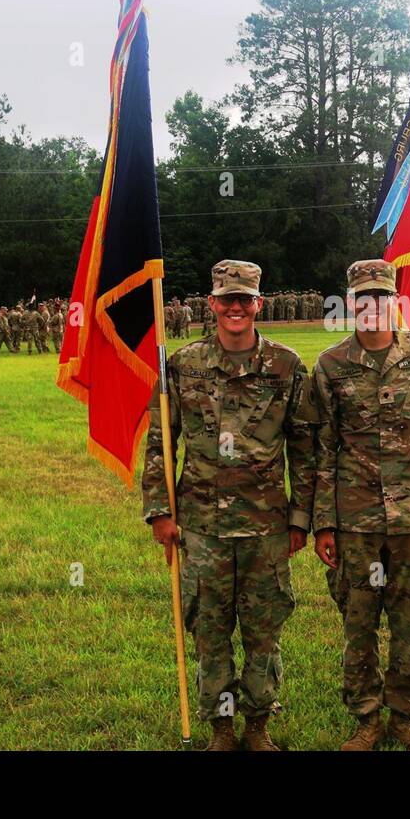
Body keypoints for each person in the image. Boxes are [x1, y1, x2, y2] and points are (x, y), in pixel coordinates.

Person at [143, 260, 317, 752]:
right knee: (210, 632)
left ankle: (258, 728)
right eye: (227, 298)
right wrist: (160, 510)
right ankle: (221, 729)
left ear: (258, 303)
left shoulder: (286, 366)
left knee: (264, 633)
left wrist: (301, 519)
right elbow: (161, 440)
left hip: (266, 528)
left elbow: (304, 449)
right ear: (212, 303)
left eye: (245, 299)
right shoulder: (182, 364)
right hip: (201, 527)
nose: (236, 307)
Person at [311, 259, 410, 751]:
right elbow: (319, 447)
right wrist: (323, 523)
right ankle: (366, 719)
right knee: (358, 624)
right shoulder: (330, 366)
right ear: (351, 304)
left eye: (381, 297)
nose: (372, 307)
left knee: (409, 624)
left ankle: (404, 717)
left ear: (395, 302)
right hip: (354, 520)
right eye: (363, 299)